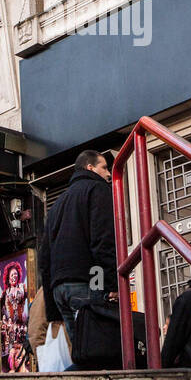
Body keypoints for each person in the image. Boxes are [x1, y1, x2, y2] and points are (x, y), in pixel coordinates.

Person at [37, 149, 118, 351]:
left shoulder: (56, 205)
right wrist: (108, 284)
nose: (109, 173)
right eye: (105, 167)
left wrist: (52, 307)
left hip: (60, 290)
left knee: (81, 352)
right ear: (90, 167)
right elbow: (103, 241)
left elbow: (44, 258)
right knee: (98, 351)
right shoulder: (97, 190)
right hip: (87, 281)